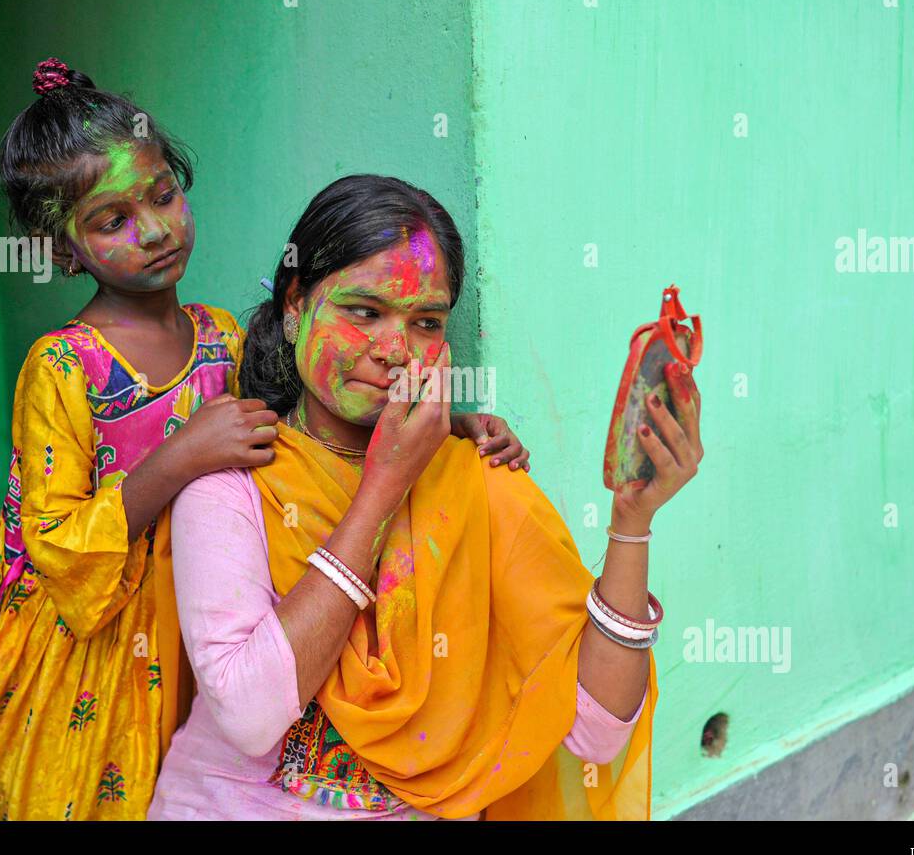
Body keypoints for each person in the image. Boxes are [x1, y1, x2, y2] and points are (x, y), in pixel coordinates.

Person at [0, 62, 527, 821]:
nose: (156, 228)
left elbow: (314, 415)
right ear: (62, 250)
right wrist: (177, 460)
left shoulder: (219, 336)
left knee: (175, 749)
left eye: (163, 194)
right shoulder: (62, 367)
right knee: (85, 787)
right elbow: (53, 544)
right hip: (85, 644)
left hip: (190, 607)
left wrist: (448, 425)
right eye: (112, 220)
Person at [149, 174, 702, 820]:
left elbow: (597, 730)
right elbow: (248, 714)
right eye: (364, 311)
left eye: (425, 322)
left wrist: (631, 523)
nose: (393, 350)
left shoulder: (477, 479)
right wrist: (385, 486)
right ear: (295, 306)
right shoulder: (229, 487)